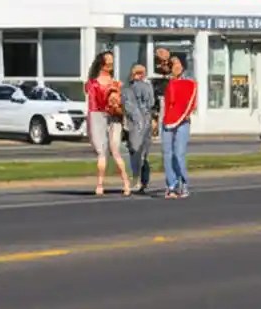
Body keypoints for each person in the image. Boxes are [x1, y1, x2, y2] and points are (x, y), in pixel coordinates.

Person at [84, 51, 131, 197]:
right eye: (108, 62)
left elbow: (91, 100)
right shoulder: (114, 84)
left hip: (100, 115)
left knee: (105, 152)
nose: (110, 64)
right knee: (112, 151)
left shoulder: (93, 84)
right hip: (107, 115)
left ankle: (101, 185)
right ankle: (125, 184)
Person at [161, 55, 197, 199]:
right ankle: (171, 185)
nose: (176, 66)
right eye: (173, 64)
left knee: (178, 153)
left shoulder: (189, 83)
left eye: (178, 63)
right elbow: (164, 102)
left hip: (182, 121)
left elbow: (192, 102)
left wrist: (186, 113)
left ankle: (183, 183)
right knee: (167, 154)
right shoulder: (167, 83)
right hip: (167, 121)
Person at [122, 63, 155, 194]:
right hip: (146, 120)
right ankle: (144, 180)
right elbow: (151, 103)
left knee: (135, 152)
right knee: (144, 153)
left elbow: (128, 107)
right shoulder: (148, 87)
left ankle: (136, 180)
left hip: (134, 123)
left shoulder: (127, 89)